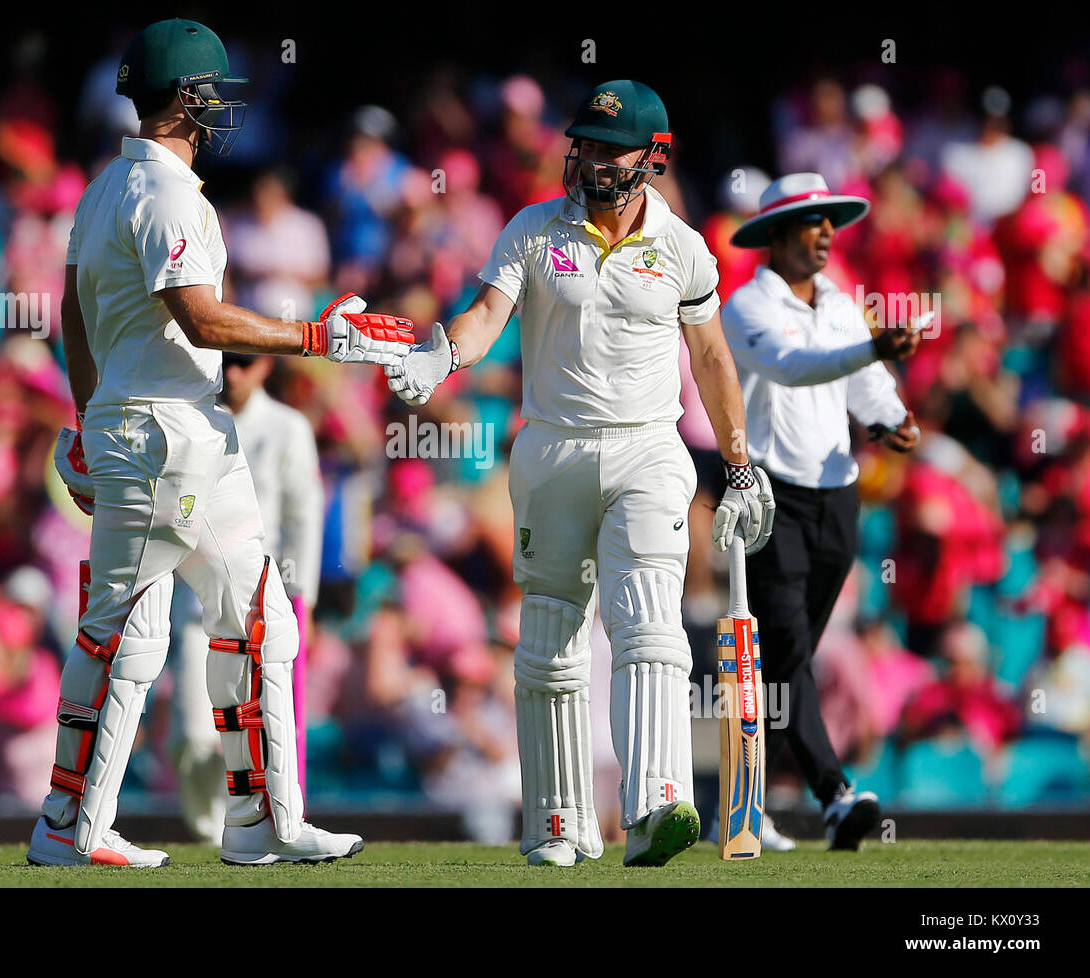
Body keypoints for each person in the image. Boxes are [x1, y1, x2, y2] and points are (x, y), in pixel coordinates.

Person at [29, 18, 416, 868]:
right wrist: (317, 340)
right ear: (184, 98)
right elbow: (200, 317)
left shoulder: (102, 191)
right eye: (211, 90)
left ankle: (262, 820)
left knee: (260, 622)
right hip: (166, 438)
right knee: (128, 637)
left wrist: (92, 419)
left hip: (182, 430)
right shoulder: (168, 196)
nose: (221, 106)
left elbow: (73, 316)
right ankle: (69, 826)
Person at [385, 80, 775, 867]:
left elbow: (709, 357)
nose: (592, 160)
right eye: (586, 144)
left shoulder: (684, 248)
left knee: (649, 619)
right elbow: (489, 313)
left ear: (654, 157)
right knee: (551, 637)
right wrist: (443, 355)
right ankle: (560, 823)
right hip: (552, 447)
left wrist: (738, 465)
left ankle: (657, 804)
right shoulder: (533, 229)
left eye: (610, 148)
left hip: (648, 448)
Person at [719, 171, 922, 850]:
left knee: (789, 657)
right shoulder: (747, 306)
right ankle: (836, 795)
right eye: (814, 221)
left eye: (832, 219)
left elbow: (864, 383)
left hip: (838, 495)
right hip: (772, 498)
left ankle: (747, 808)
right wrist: (873, 349)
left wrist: (890, 417)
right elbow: (792, 366)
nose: (829, 231)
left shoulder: (839, 304)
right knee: (790, 650)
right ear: (777, 235)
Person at [171, 353, 323, 841]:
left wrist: (305, 600)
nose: (232, 372)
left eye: (244, 362)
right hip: (195, 602)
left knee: (253, 724)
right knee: (195, 737)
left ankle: (248, 826)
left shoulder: (286, 427)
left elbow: (304, 515)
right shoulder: (191, 418)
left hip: (263, 598)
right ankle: (209, 830)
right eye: (226, 360)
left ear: (263, 367)